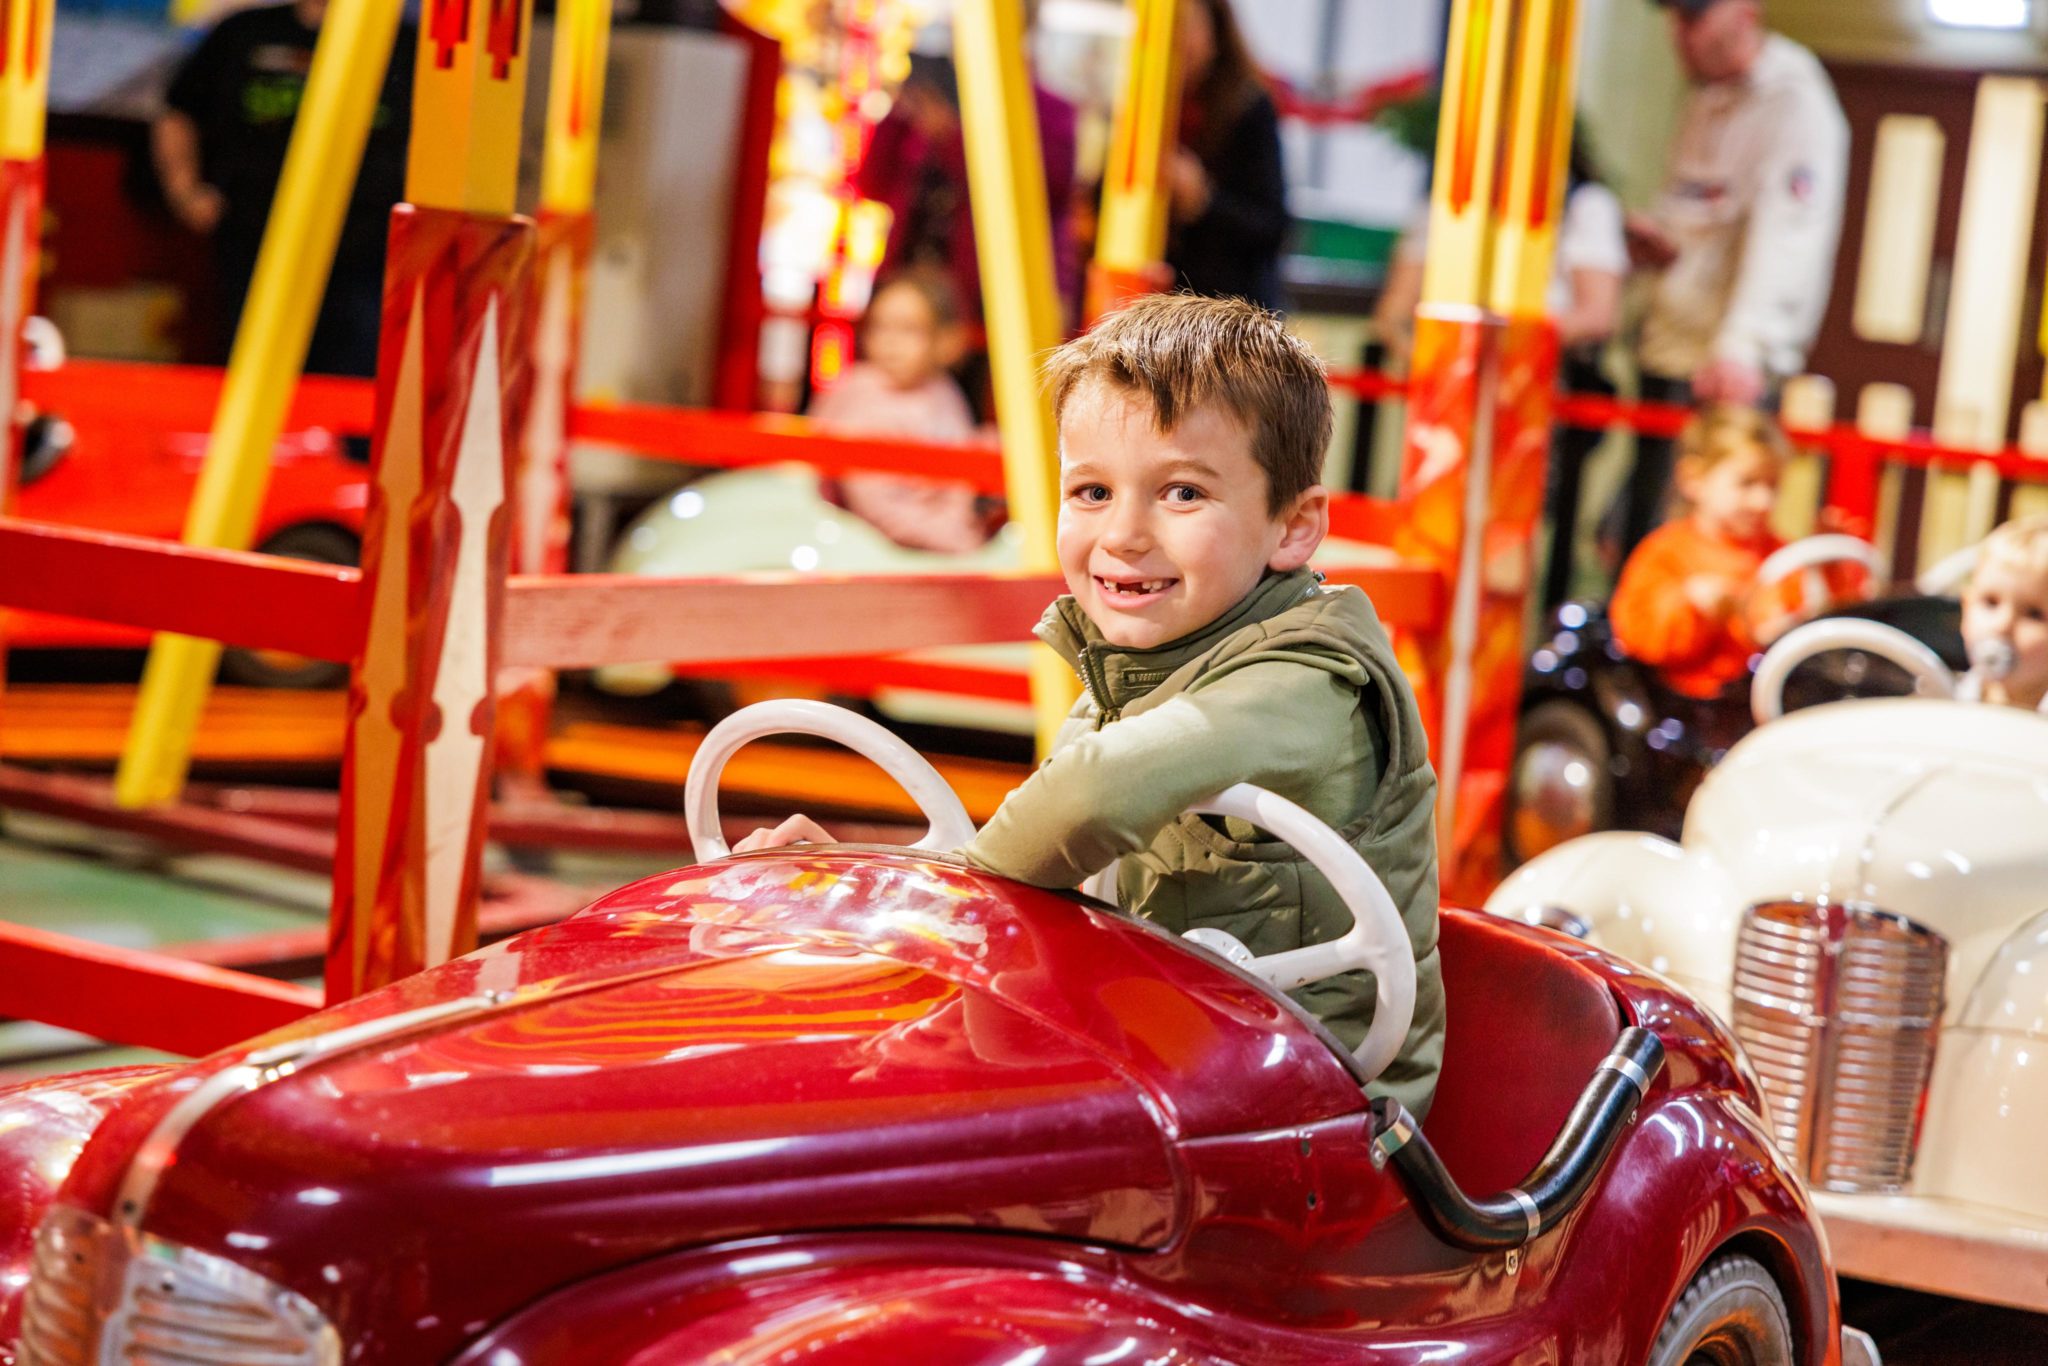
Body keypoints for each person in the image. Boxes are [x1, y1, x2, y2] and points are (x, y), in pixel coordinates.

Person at [737, 294, 1446, 1116]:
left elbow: (1089, 798)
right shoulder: (1137, 670)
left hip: (1325, 1113)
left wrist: (919, 904)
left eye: (1182, 493)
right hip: (1176, 1054)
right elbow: (1029, 852)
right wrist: (862, 879)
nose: (1123, 534)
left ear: (1292, 527)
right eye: (1093, 491)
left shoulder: (1310, 678)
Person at [1611, 0, 1847, 561]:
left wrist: (1746, 346)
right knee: (1642, 541)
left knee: (1709, 551)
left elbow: (1789, 236)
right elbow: (1698, 212)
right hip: (1668, 353)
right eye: (1674, 16)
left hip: (1725, 376)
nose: (1679, 32)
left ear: (1745, 10)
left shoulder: (1792, 100)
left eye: (1695, 14)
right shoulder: (1704, 96)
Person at [1376, 129, 1628, 610]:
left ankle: (1502, 642)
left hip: (1532, 406)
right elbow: (1393, 314)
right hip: (1447, 408)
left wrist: (1508, 350)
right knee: (1426, 525)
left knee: (1510, 545)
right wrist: (1442, 363)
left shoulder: (1582, 205)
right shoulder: (1447, 203)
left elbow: (1598, 312)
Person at [154, 0, 414, 377]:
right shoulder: (244, 33)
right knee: (256, 371)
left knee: (353, 380)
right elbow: (179, 112)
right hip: (254, 240)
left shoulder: (402, 44)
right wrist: (185, 191)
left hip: (365, 252)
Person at [858, 50, 1082, 330]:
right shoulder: (928, 98)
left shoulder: (1047, 110)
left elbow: (1044, 190)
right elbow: (872, 184)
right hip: (907, 273)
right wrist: (901, 110)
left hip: (987, 290)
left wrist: (952, 135)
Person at [1608, 405, 1798, 700]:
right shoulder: (1665, 552)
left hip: (1762, 697)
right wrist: (1693, 608)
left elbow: (1806, 612)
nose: (1763, 501)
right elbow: (1638, 638)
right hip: (1690, 704)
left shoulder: (1783, 555)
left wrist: (1831, 576)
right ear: (1693, 480)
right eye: (1747, 483)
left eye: (1773, 486)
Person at [807, 271, 986, 554]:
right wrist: (951, 537)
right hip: (856, 541)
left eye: (908, 329)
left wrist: (958, 522)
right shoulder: (860, 394)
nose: (890, 341)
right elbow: (873, 502)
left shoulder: (942, 391)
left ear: (945, 340)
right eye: (880, 327)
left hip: (929, 539)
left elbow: (959, 479)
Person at [1165, 0, 1289, 309]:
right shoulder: (1139, 110)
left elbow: (1272, 226)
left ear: (1216, 33)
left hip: (1227, 308)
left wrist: (1203, 200)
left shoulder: (1247, 109)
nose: (1175, 39)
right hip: (1154, 303)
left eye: (1187, 26)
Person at [1956, 514, 2048, 713]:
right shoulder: (1953, 693)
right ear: (1966, 608)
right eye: (1991, 603)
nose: (2003, 625)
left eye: (2033, 614)